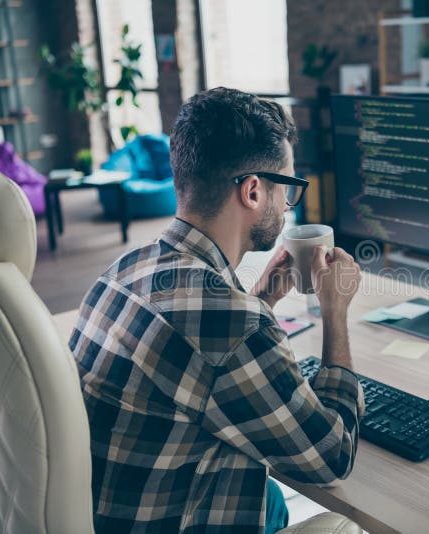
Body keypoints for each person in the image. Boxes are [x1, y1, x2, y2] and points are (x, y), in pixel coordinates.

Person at [70, 87, 365, 533]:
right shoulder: (234, 326)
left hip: (110, 513)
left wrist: (260, 299)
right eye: (287, 190)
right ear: (252, 192)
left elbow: (198, 359)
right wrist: (335, 313)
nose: (287, 207)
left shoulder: (123, 269)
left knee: (266, 499)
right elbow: (332, 456)